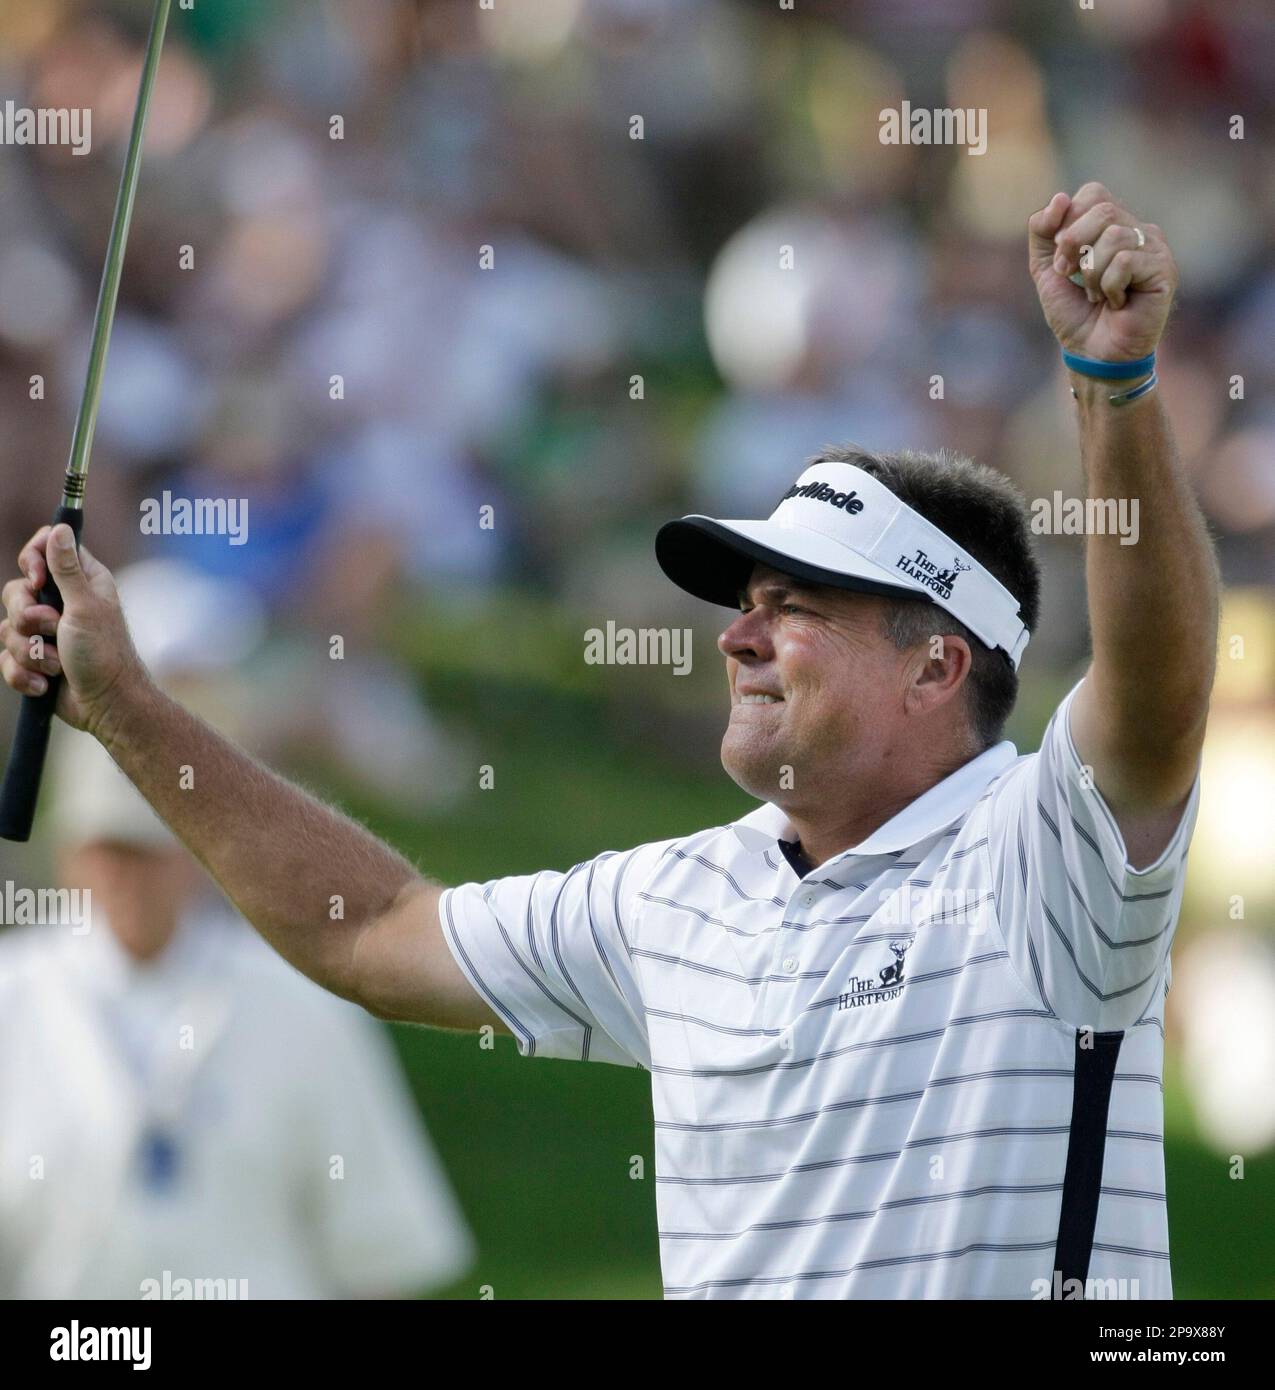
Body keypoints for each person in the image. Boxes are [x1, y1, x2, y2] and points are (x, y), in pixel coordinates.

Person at [0, 183, 1218, 1299]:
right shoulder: (680, 897)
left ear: (937, 662)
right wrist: (130, 711)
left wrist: (1112, 386)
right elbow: (371, 932)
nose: (739, 637)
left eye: (796, 607)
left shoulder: (1044, 857)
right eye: (744, 601)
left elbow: (1158, 689)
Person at [0, 573, 475, 1301]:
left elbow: (382, 1254)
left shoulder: (303, 1002)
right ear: (70, 853)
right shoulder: (13, 997)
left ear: (190, 857)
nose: (129, 880)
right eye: (109, 850)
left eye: (148, 852)